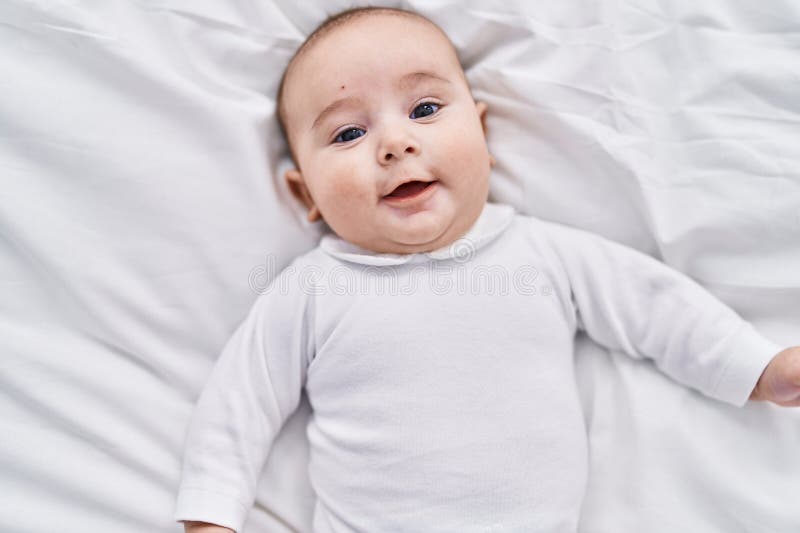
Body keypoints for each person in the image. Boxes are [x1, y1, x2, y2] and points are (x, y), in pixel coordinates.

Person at [175, 7, 800, 533]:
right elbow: (238, 405)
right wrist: (211, 518)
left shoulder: (544, 255)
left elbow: (658, 309)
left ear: (481, 133)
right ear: (305, 192)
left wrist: (758, 368)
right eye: (347, 135)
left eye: (423, 109)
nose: (394, 144)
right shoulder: (311, 292)